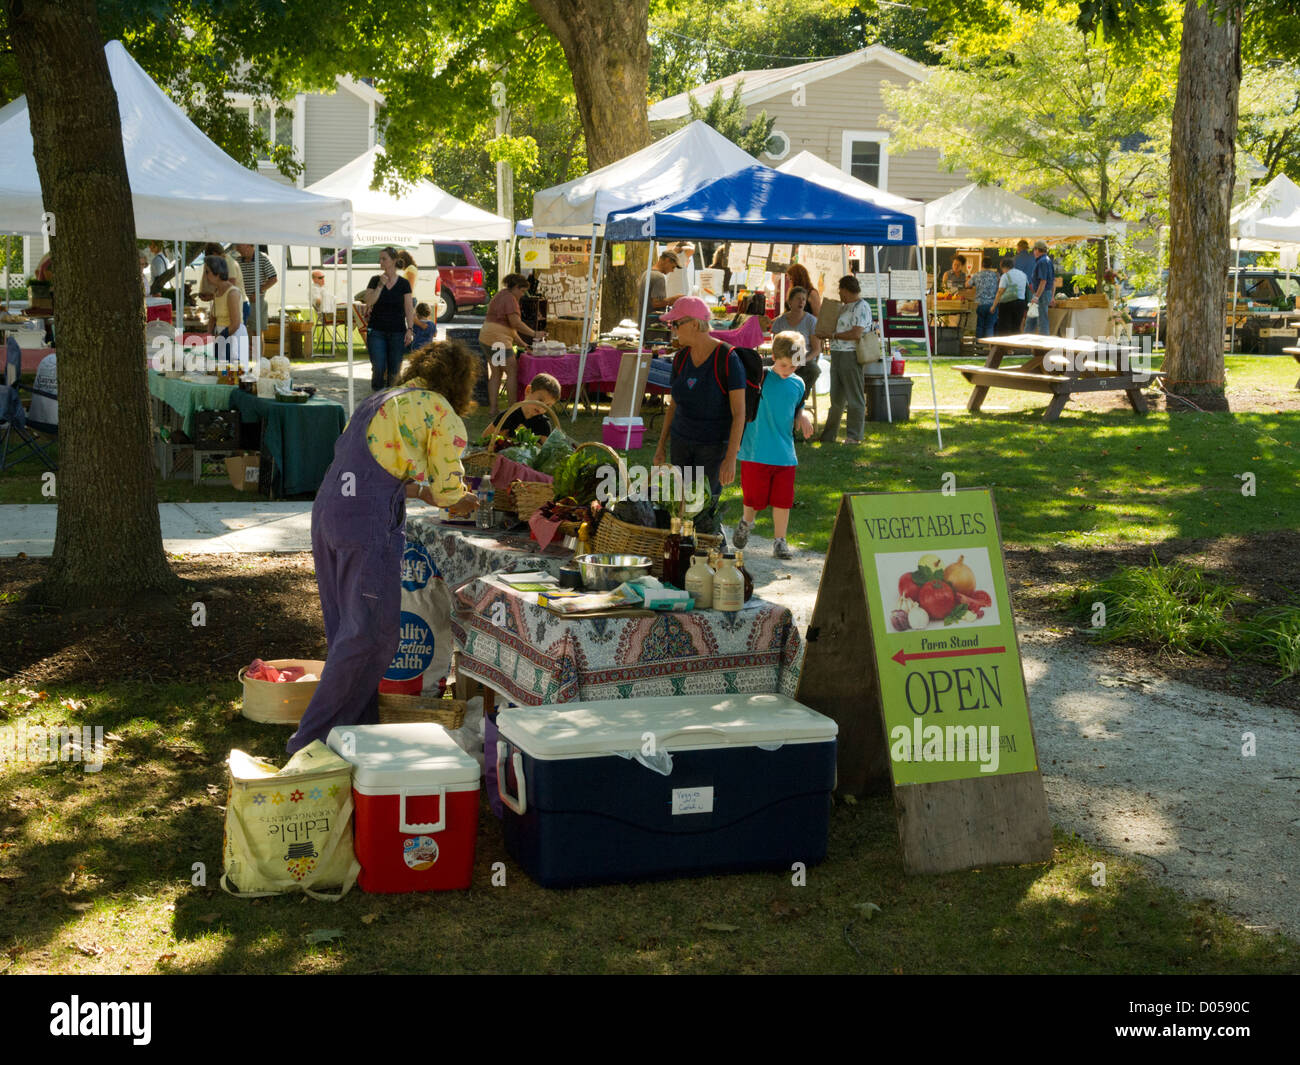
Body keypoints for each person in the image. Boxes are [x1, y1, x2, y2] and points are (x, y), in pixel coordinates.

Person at [285, 340, 481, 755]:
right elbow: (450, 489)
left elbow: (366, 465)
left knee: (346, 631)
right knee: (369, 636)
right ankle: (310, 740)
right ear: (460, 382)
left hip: (330, 512)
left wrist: (418, 492)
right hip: (366, 525)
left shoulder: (379, 400)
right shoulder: (438, 410)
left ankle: (352, 731)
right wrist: (454, 497)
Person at [652, 296, 746, 537]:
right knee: (680, 505)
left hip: (713, 448)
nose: (671, 329)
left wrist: (730, 458)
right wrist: (661, 446)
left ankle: (712, 552)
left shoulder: (727, 358)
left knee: (704, 509)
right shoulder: (681, 358)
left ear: (694, 324)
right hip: (682, 442)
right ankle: (683, 555)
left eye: (675, 324)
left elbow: (739, 414)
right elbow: (673, 405)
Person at [733, 332, 813, 560]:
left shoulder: (798, 383)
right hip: (755, 451)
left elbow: (799, 405)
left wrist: (803, 415)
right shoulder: (761, 378)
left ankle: (780, 541)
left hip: (785, 455)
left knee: (783, 501)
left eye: (794, 365)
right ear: (775, 356)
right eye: (785, 364)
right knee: (753, 499)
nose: (789, 369)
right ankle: (746, 522)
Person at [478, 272, 545, 417]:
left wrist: (523, 344)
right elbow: (515, 324)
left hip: (488, 338)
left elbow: (511, 329)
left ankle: (493, 409)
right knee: (512, 372)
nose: (522, 294)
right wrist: (535, 334)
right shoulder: (510, 299)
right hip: (498, 341)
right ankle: (512, 410)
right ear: (515, 287)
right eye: (521, 291)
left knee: (496, 373)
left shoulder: (501, 295)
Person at [816, 274, 872, 446]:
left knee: (854, 397)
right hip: (837, 353)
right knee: (836, 398)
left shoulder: (861, 307)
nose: (839, 294)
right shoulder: (845, 307)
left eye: (840, 290)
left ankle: (854, 436)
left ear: (846, 290)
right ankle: (829, 435)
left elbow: (856, 334)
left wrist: (833, 335)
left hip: (851, 354)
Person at [361, 246, 417, 392]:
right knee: (378, 367)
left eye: (384, 258)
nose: (380, 261)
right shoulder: (374, 280)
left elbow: (409, 308)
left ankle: (392, 401)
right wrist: (380, 286)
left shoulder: (404, 284)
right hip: (377, 331)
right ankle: (376, 399)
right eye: (380, 259)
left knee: (394, 371)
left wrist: (410, 329)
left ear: (394, 261)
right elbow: (369, 302)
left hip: (397, 332)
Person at [771, 286, 821, 399]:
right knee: (762, 364)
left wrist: (801, 361)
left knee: (814, 370)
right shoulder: (780, 321)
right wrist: (783, 361)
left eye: (804, 299)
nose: (801, 302)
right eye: (798, 299)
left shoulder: (811, 321)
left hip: (804, 360)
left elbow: (817, 349)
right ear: (790, 302)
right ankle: (775, 397)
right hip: (783, 358)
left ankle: (799, 398)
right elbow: (775, 345)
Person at [202, 255, 248, 368]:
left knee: (235, 374)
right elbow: (213, 317)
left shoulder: (232, 293)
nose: (205, 275)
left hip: (233, 335)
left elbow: (235, 323)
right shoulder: (217, 292)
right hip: (222, 335)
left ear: (217, 274)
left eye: (207, 272)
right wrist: (208, 336)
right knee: (221, 373)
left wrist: (219, 339)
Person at [491, 372, 560, 446]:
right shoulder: (508, 415)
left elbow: (546, 449)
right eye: (540, 400)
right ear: (528, 391)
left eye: (548, 405)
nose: (541, 407)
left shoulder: (543, 424)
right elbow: (486, 437)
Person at [233, 243, 277, 336]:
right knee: (242, 329)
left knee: (256, 332)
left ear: (247, 245)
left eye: (239, 246)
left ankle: (257, 351)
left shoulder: (262, 258)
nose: (237, 249)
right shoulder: (237, 260)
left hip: (257, 301)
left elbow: (273, 279)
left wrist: (258, 292)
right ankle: (247, 350)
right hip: (241, 301)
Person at [636, 249, 681, 325]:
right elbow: (656, 303)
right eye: (673, 267)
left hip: (643, 323)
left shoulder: (646, 273)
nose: (672, 271)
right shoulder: (658, 277)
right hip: (654, 326)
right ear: (667, 260)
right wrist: (675, 299)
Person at [993, 257, 1029, 337]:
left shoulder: (1005, 276)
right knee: (1016, 327)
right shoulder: (1023, 274)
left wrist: (994, 306)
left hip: (1007, 304)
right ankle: (1014, 346)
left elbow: (1000, 292)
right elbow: (1027, 287)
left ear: (1003, 267)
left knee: (1004, 327)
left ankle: (1004, 347)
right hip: (1021, 303)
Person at [1029, 239, 1056, 336]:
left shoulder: (1042, 262)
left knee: (1041, 321)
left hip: (1041, 294)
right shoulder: (1048, 260)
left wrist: (1036, 297)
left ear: (1037, 250)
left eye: (1034, 250)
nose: (1033, 252)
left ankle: (1042, 346)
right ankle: (1026, 344)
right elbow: (1053, 281)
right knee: (1031, 320)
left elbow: (1043, 281)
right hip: (1044, 293)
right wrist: (1052, 296)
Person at [971, 254, 1001, 338]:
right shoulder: (996, 275)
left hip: (979, 304)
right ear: (991, 265)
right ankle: (988, 346)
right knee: (990, 326)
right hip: (992, 304)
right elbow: (1000, 286)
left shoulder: (977, 275)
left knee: (979, 326)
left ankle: (979, 346)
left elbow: (967, 284)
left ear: (981, 264)